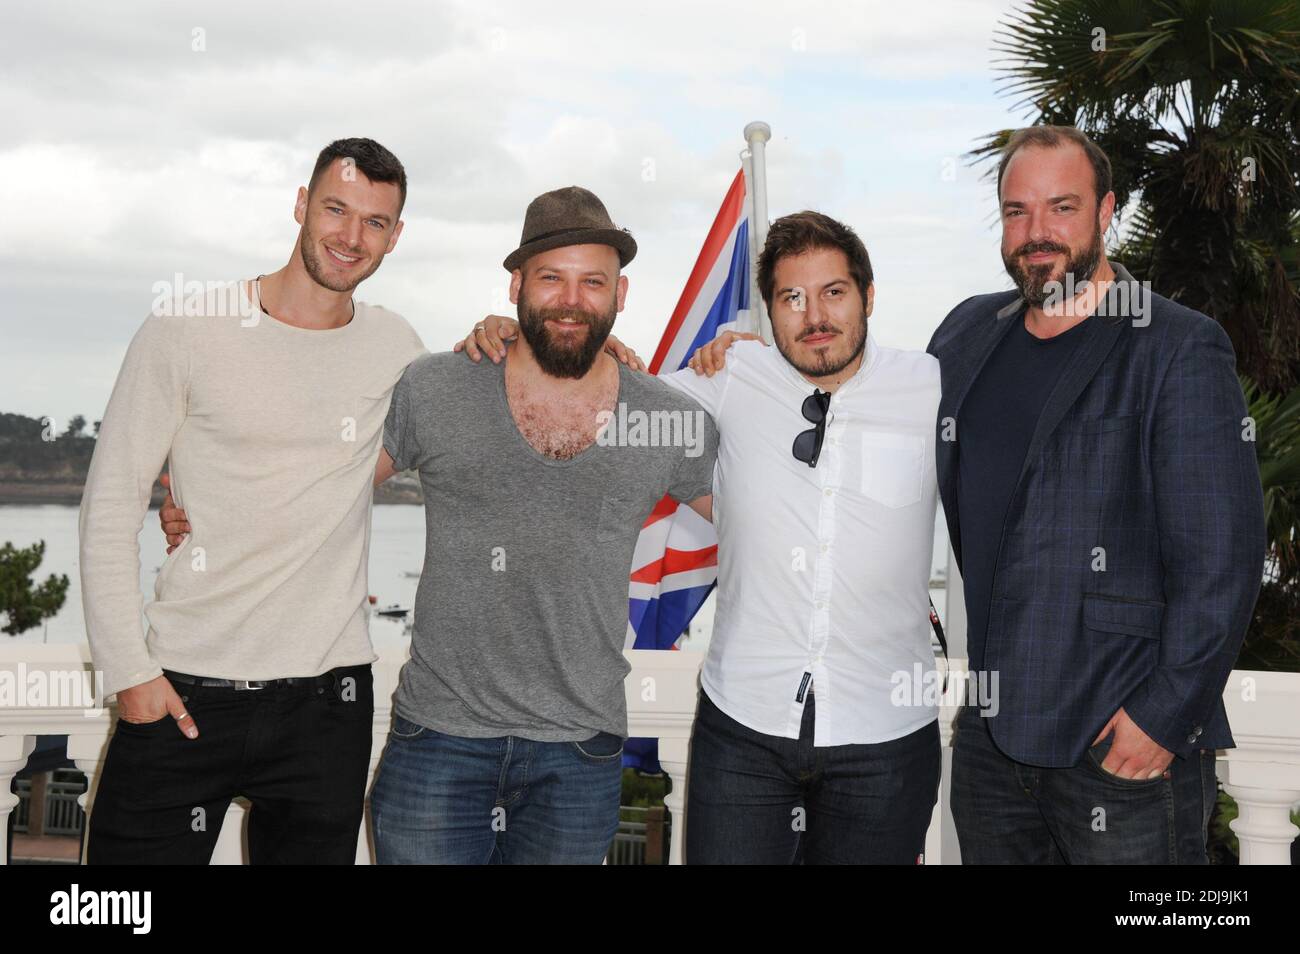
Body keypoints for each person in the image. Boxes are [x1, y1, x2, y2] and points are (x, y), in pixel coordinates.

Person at [460, 210, 942, 864]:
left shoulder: (929, 387)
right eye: (791, 297)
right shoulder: (731, 378)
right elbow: (593, 402)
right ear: (768, 311)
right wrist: (521, 334)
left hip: (886, 738)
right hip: (744, 735)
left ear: (868, 295)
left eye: (834, 291)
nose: (814, 314)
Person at [80, 138, 427, 864]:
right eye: (336, 209)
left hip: (326, 708)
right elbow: (111, 501)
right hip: (181, 692)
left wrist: (516, 334)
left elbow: (468, 412)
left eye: (374, 222)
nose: (349, 236)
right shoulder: (187, 328)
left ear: (394, 237)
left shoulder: (395, 345)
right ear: (302, 206)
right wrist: (130, 675)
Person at [927, 125, 1266, 863]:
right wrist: (756, 358)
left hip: (1120, 741)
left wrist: (1162, 717)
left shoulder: (1177, 345)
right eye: (1017, 211)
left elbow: (1226, 555)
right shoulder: (964, 334)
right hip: (990, 741)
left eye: (1062, 208)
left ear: (1107, 210)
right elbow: (872, 412)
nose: (1036, 233)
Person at [366, 186, 718, 864]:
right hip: (438, 742)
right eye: (552, 277)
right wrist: (194, 497)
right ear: (516, 283)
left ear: (621, 293)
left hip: (579, 756)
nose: (571, 298)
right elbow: (325, 491)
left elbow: (769, 516)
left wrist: (753, 364)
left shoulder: (666, 418)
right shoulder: (436, 387)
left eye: (593, 282)